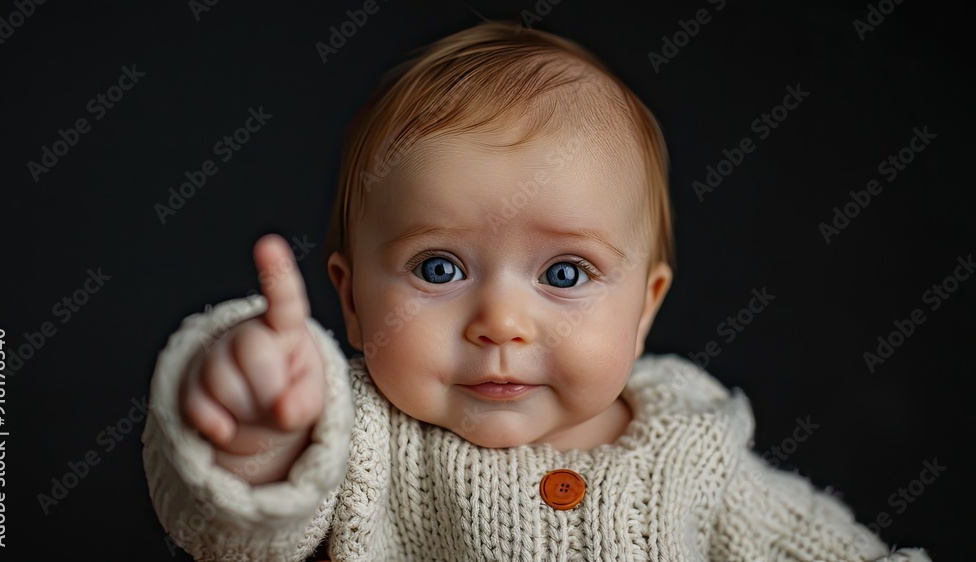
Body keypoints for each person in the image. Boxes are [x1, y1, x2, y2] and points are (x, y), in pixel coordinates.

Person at [142, 21, 930, 561]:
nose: (500, 323)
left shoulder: (691, 446)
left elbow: (822, 546)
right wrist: (256, 427)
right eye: (438, 268)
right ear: (349, 300)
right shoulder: (358, 437)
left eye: (564, 274)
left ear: (646, 306)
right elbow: (235, 536)